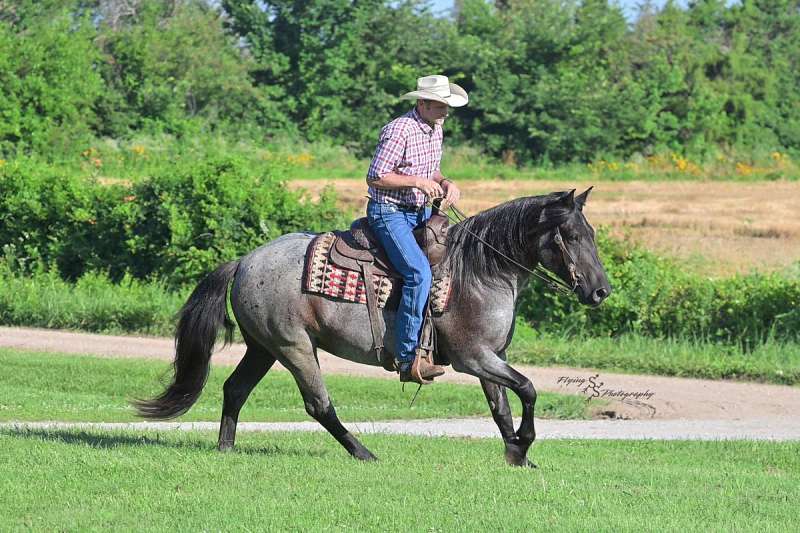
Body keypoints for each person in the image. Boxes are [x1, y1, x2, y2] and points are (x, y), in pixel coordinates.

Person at [365, 74, 467, 384]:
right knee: (418, 273)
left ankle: (437, 344)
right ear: (421, 103)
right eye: (439, 106)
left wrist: (444, 182)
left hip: (419, 211)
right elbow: (376, 176)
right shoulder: (399, 130)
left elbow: (429, 169)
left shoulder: (436, 128)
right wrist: (418, 183)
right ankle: (408, 358)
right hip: (389, 212)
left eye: (447, 106)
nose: (445, 112)